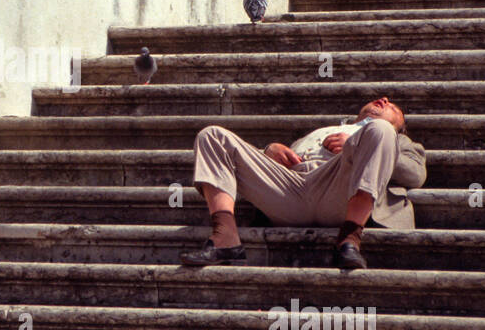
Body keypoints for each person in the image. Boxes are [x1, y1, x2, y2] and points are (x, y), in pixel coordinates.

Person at [180, 97, 425, 270]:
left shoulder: (396, 138)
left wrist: (358, 144)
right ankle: (225, 237)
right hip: (289, 188)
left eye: (391, 105)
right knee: (212, 136)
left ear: (400, 127)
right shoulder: (321, 130)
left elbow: (415, 174)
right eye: (380, 100)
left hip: (339, 190)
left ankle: (349, 239)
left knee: (379, 129)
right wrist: (268, 151)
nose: (383, 99)